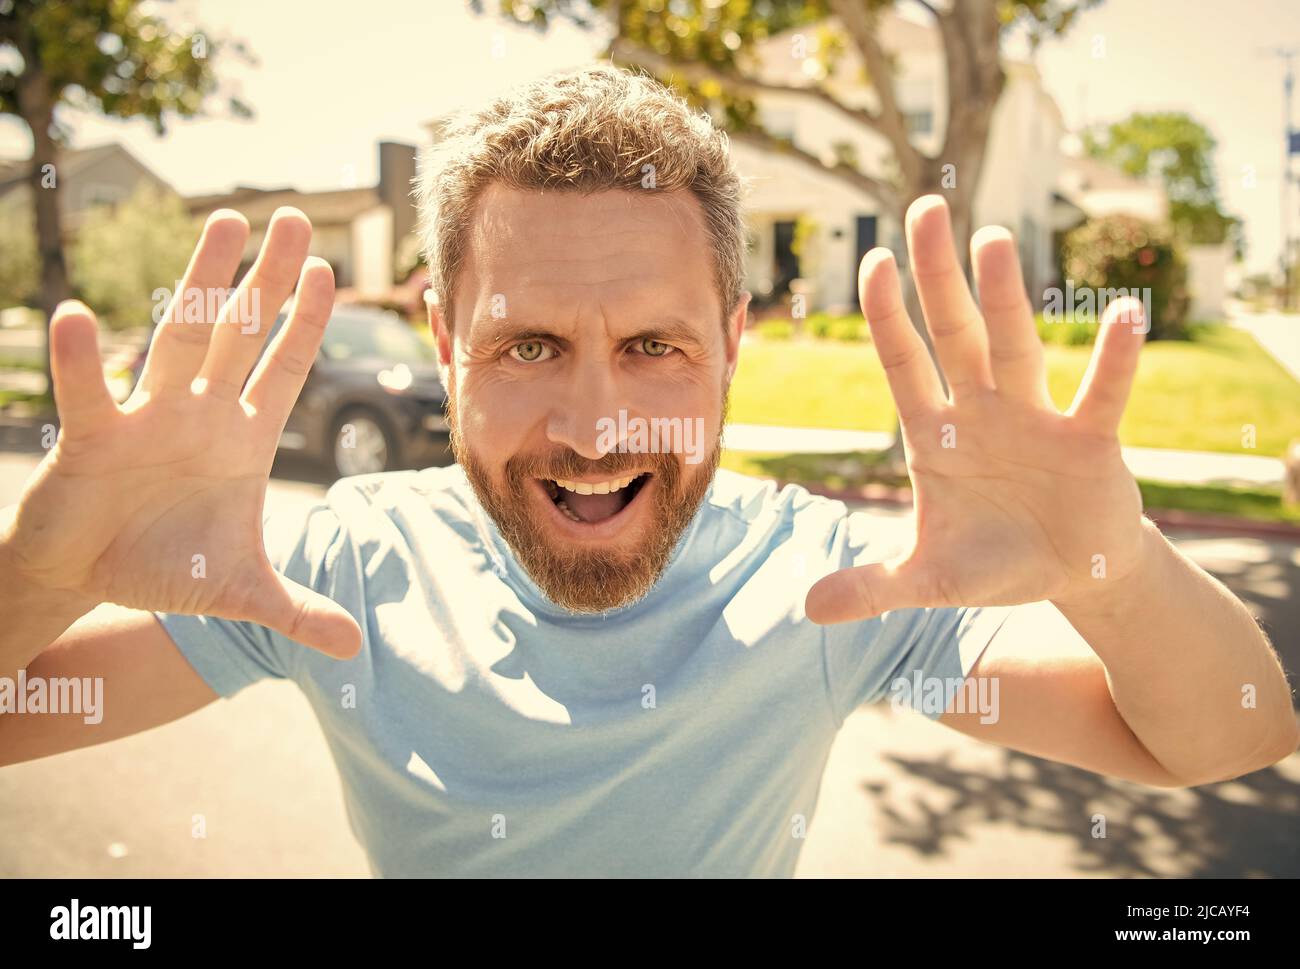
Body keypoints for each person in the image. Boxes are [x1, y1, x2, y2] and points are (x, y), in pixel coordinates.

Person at [1, 65, 1295, 877]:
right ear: (446, 347)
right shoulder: (343, 568)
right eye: (529, 344)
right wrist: (42, 574)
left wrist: (1116, 570)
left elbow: (1226, 733)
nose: (596, 421)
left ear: (733, 346)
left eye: (656, 346)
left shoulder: (830, 586)